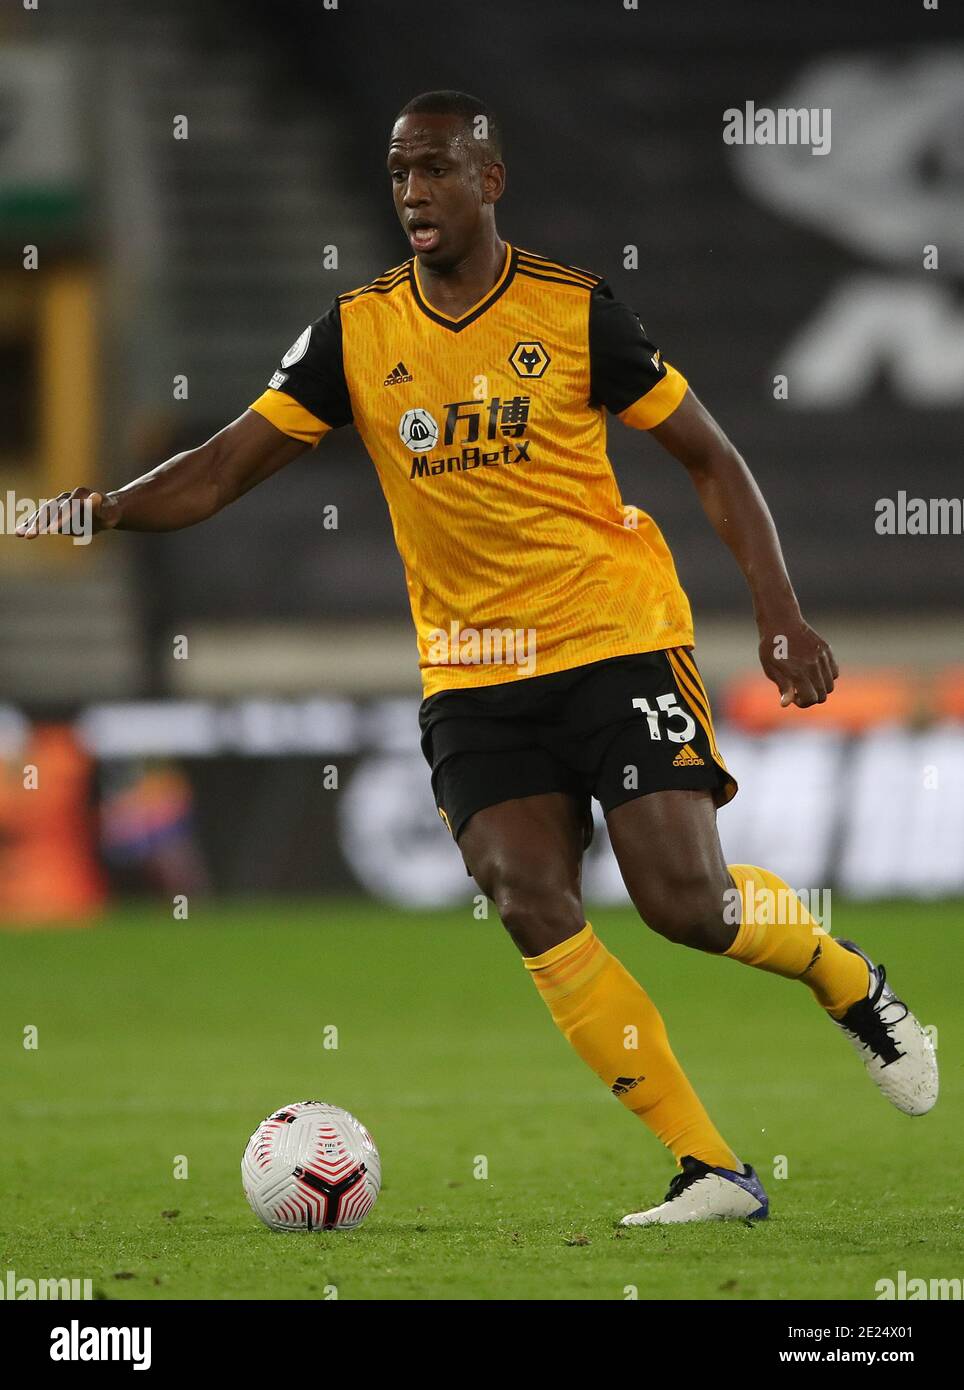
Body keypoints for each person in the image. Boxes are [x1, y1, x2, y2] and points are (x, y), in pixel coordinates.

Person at [19, 90, 937, 1225]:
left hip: (614, 636)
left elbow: (710, 456)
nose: (412, 191)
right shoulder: (355, 334)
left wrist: (780, 615)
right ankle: (712, 1169)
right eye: (399, 170)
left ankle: (849, 981)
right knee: (525, 894)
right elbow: (221, 466)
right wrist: (99, 509)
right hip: (470, 670)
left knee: (683, 905)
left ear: (489, 182)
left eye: (437, 170)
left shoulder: (574, 312)